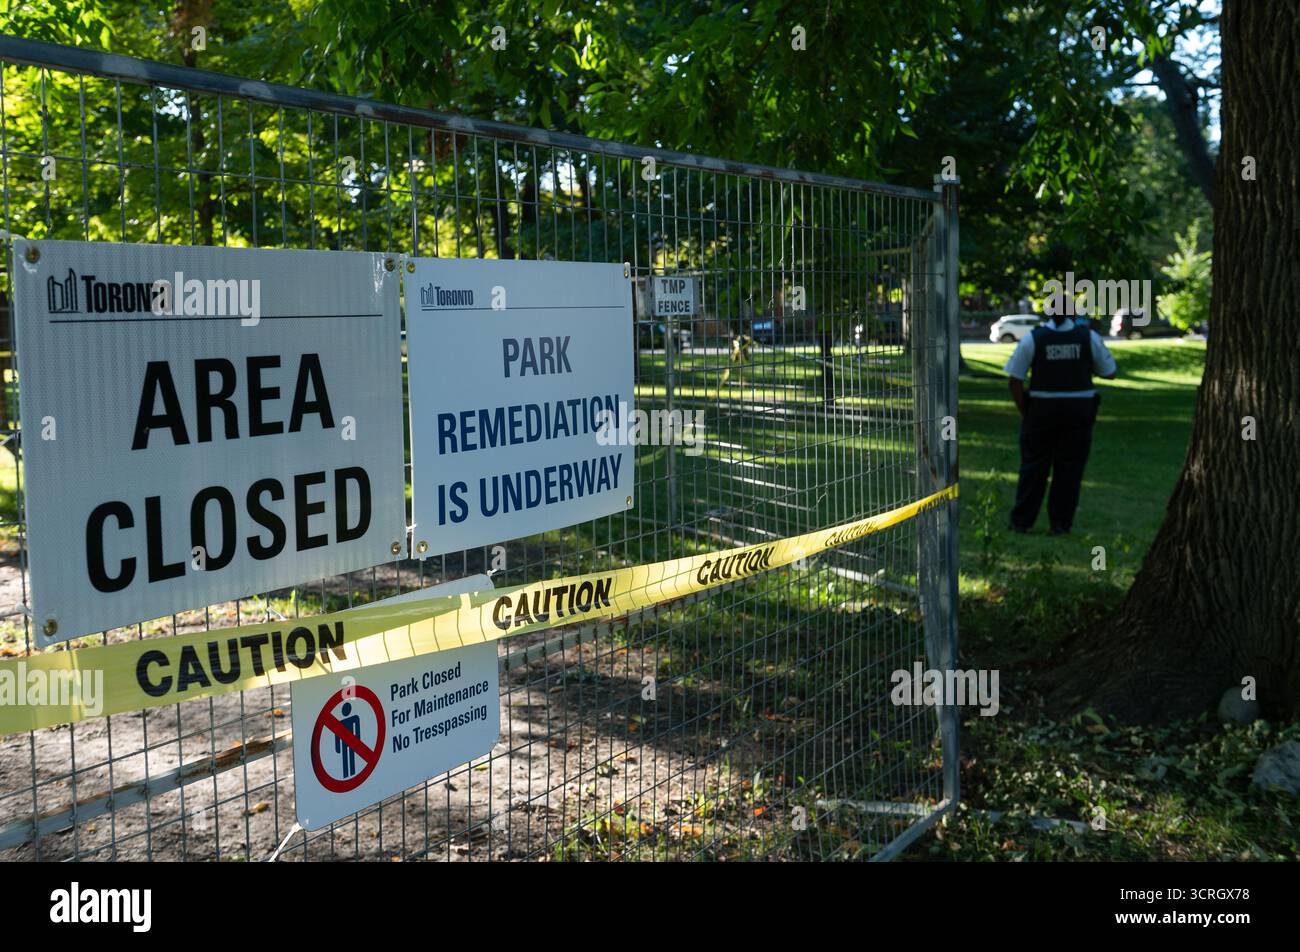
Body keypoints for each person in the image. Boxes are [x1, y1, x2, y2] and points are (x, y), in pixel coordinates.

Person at [1003, 312, 1117, 534]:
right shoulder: (1088, 337)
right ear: (1072, 313)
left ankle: (1021, 522)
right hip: (1079, 412)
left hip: (1040, 411)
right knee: (1070, 469)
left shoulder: (1033, 338)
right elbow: (1109, 372)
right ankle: (1060, 524)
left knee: (1033, 467)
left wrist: (1025, 411)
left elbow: (1014, 379)